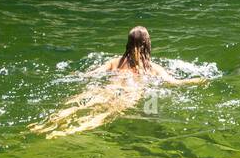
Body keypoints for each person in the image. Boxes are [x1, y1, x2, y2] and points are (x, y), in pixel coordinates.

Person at [30, 25, 205, 138]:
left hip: (107, 88)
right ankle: (65, 132)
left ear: (127, 43)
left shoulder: (115, 62)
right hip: (130, 93)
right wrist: (199, 80)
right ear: (148, 44)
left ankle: (43, 125)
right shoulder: (152, 68)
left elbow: (91, 74)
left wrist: (74, 74)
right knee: (104, 114)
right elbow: (173, 83)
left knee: (78, 104)